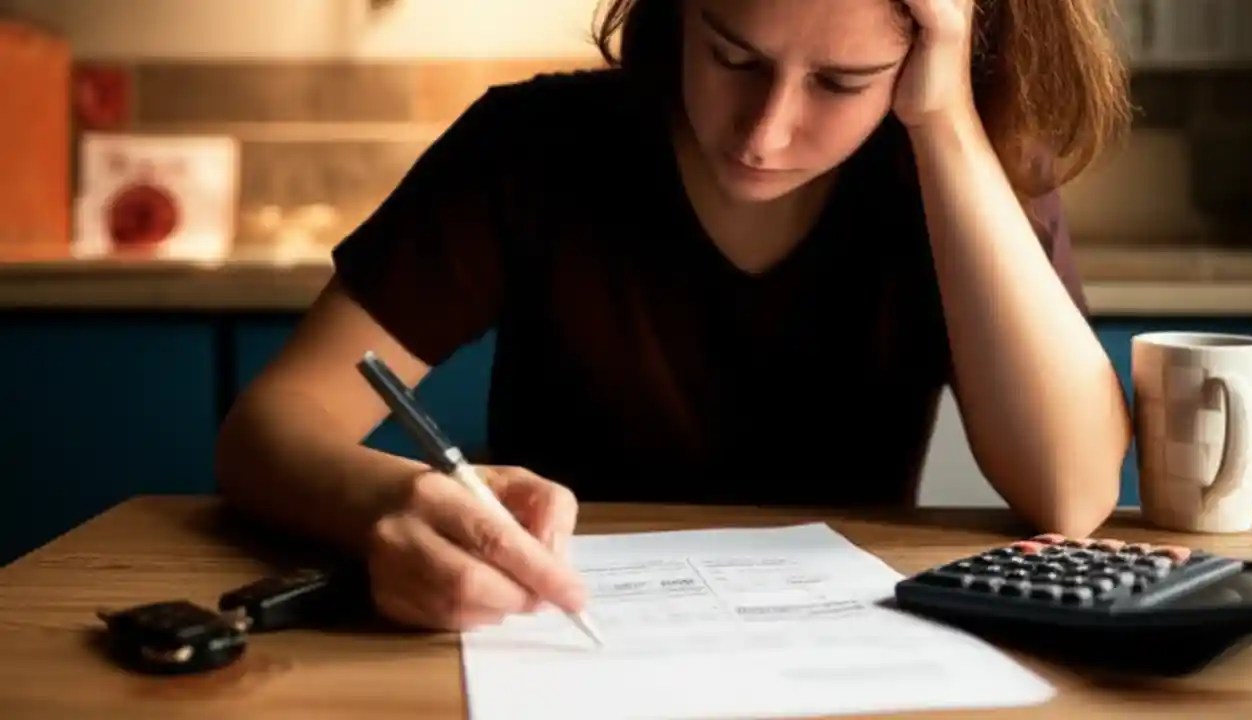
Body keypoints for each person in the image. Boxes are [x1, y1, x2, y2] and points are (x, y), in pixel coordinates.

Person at [215, 0, 1134, 632]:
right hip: (552, 649)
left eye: (843, 83)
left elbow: (1072, 492)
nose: (763, 132)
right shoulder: (530, 150)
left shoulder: (962, 175)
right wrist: (388, 502)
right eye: (732, 55)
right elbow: (270, 427)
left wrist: (946, 121)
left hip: (840, 672)